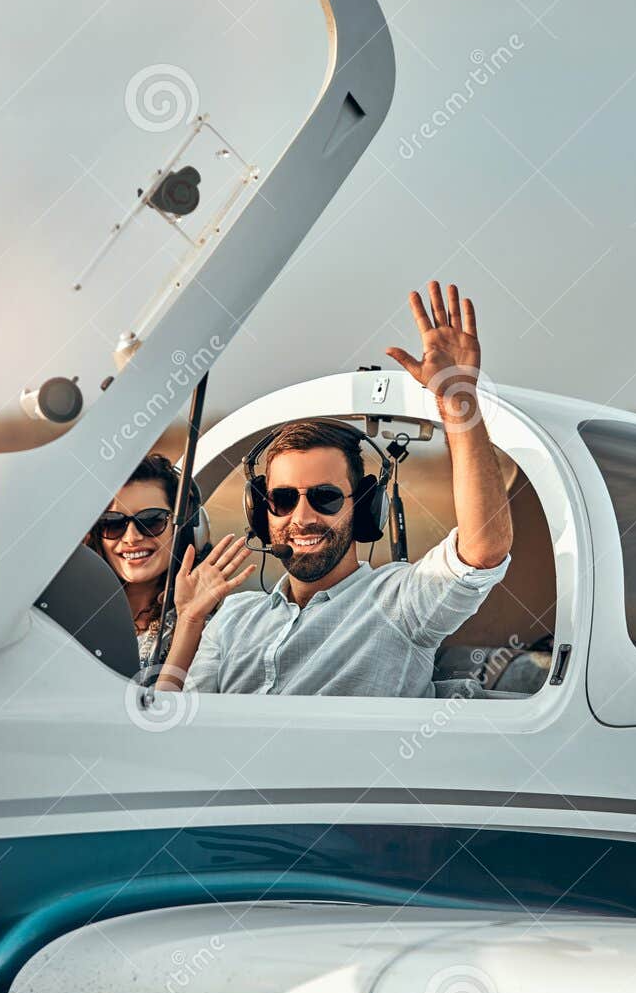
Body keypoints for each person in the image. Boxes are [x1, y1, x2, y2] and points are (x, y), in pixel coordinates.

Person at [182, 282, 513, 698]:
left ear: (364, 506)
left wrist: (457, 400)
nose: (301, 518)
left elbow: (483, 550)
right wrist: (189, 621)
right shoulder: (233, 616)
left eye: (325, 497)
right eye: (283, 500)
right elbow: (181, 724)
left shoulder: (400, 604)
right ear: (260, 511)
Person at [87, 452, 255, 682]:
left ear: (186, 529)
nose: (131, 537)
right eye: (113, 523)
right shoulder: (72, 616)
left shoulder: (212, 631)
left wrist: (189, 622)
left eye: (151, 520)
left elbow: (162, 712)